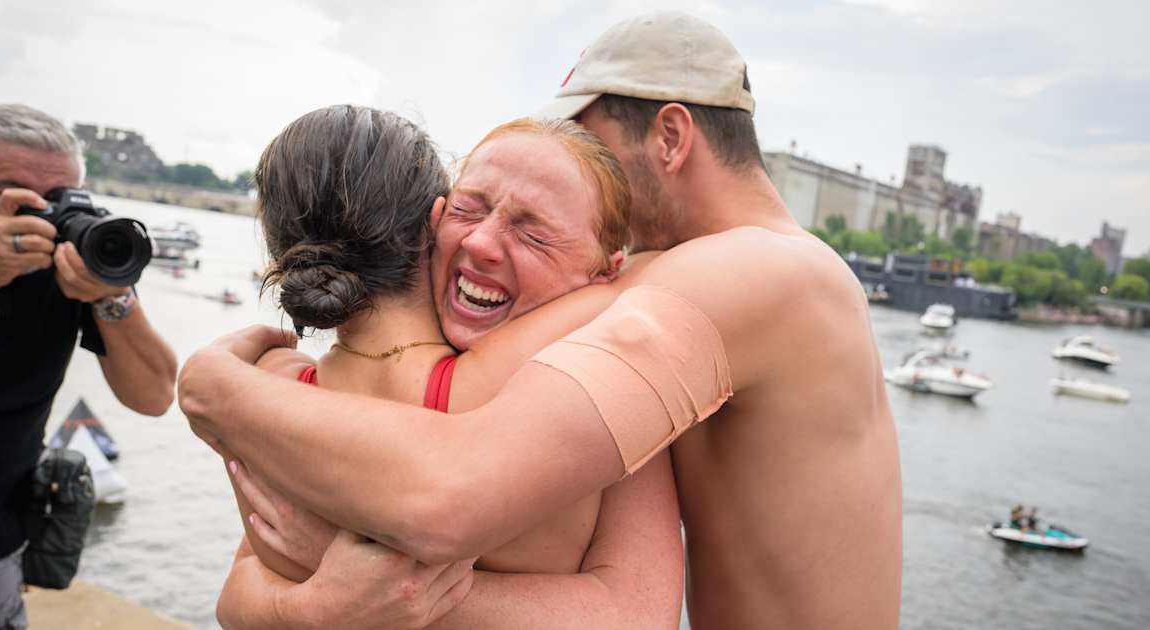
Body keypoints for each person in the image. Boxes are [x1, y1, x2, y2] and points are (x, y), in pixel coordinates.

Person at [181, 12, 902, 629]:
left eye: (589, 142)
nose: (578, 166)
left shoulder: (750, 273)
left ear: (671, 138)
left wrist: (216, 389)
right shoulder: (725, 276)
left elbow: (449, 492)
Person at [216, 107, 682, 628]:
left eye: (535, 236)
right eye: (467, 209)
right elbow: (235, 595)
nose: (480, 243)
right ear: (429, 223)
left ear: (606, 270)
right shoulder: (547, 383)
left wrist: (348, 581)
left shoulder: (276, 388)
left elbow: (639, 615)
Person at [0, 104, 177, 629]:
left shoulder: (75, 255)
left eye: (55, 198)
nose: (38, 216)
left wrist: (110, 296)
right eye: (12, 194)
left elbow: (154, 396)